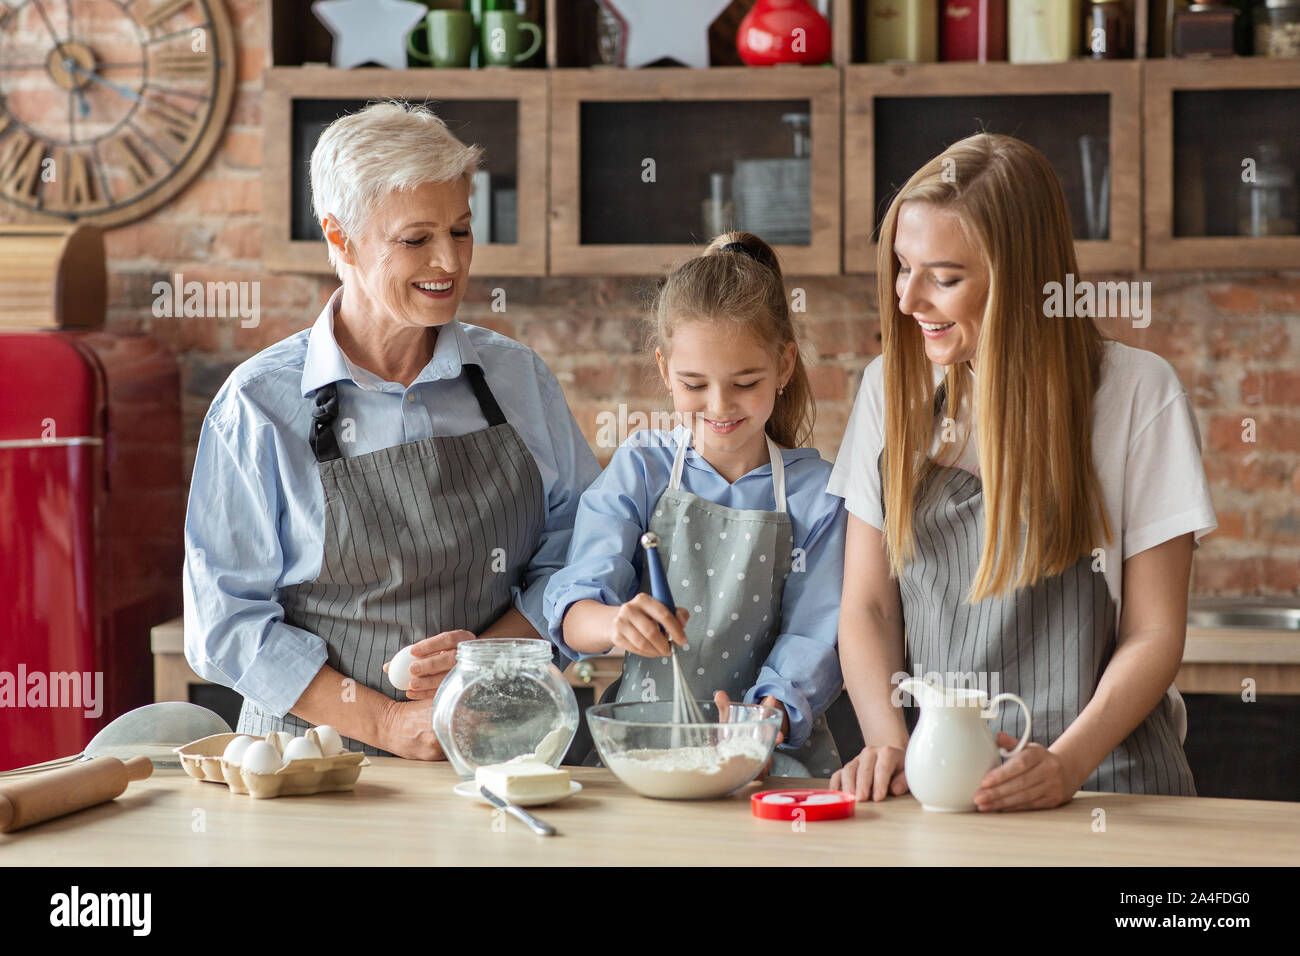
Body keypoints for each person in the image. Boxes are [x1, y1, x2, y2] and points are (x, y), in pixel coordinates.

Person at [183, 101, 600, 758]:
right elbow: (225, 623)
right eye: (416, 239)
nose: (449, 262)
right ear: (339, 237)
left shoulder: (516, 379)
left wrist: (483, 663)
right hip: (317, 769)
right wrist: (384, 724)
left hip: (507, 751)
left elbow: (583, 554)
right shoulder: (259, 406)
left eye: (461, 232)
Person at [827, 133, 1217, 808]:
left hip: (1106, 785)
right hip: (946, 782)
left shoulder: (1136, 394)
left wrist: (1065, 767)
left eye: (943, 278)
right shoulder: (888, 390)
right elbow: (866, 604)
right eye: (902, 266)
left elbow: (1154, 633)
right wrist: (890, 742)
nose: (908, 299)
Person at [544, 232, 847, 776]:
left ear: (784, 366)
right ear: (664, 370)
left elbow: (813, 635)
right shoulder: (642, 468)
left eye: (745, 382)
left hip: (769, 759)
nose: (719, 405)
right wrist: (616, 623)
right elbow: (573, 615)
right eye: (694, 384)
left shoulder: (818, 495)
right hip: (647, 750)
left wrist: (764, 717)